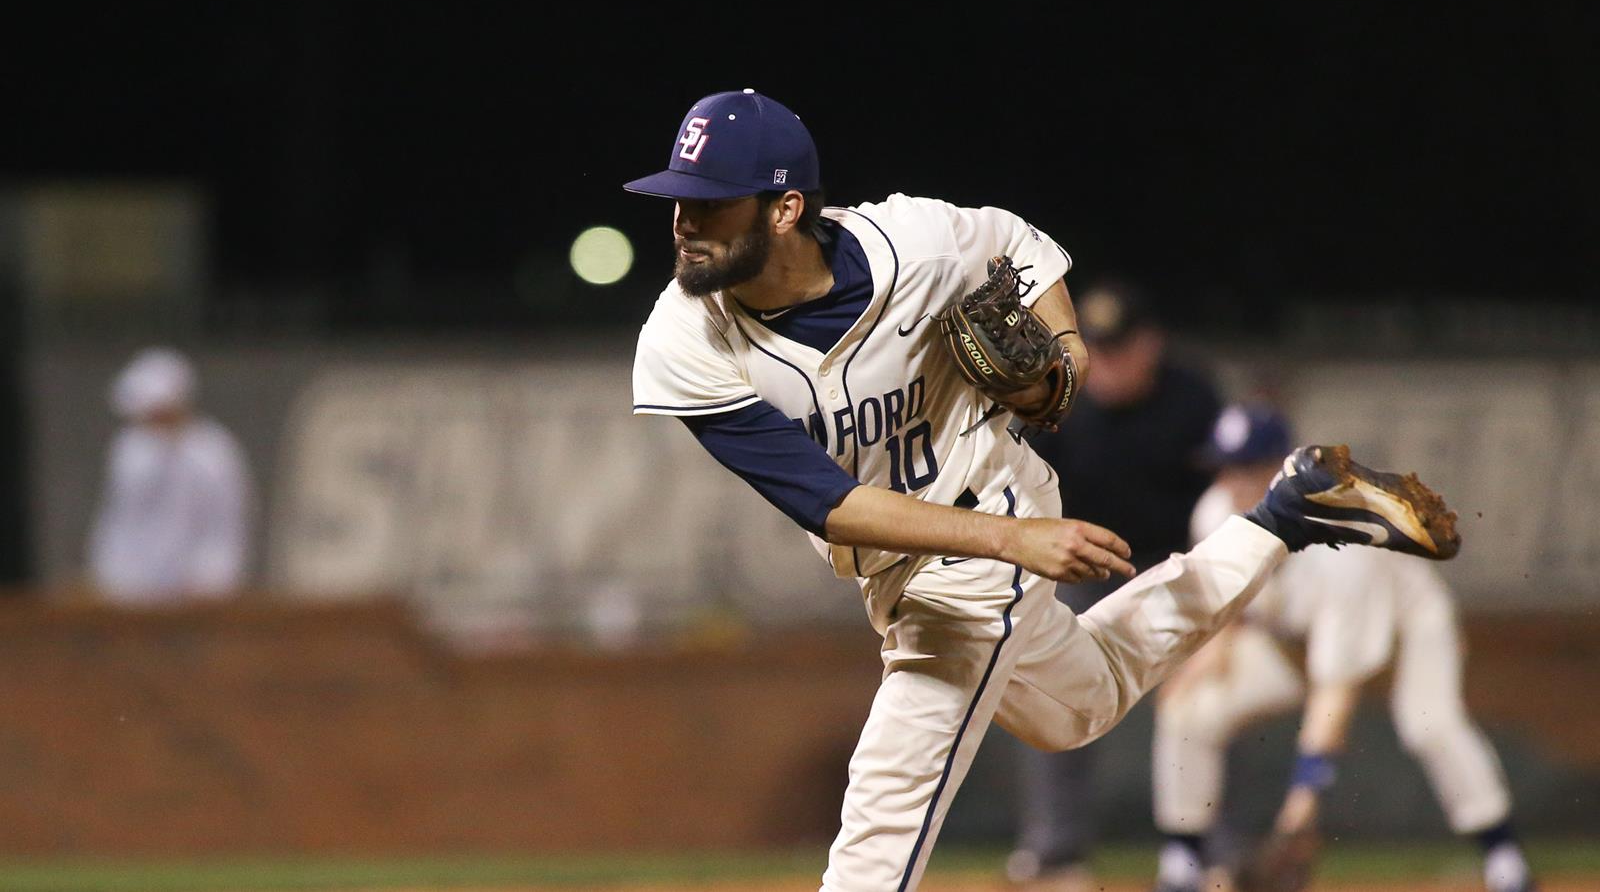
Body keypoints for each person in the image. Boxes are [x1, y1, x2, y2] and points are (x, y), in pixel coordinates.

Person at [625, 89, 1460, 892]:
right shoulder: (684, 341)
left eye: (710, 203)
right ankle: (1287, 509)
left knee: (886, 804)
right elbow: (827, 500)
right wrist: (1015, 544)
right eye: (678, 201)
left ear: (784, 208)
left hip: (992, 517)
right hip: (934, 556)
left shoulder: (913, 241)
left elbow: (1019, 244)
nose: (685, 223)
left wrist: (1070, 359)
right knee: (1079, 704)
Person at [1149, 403, 1537, 892]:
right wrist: (1205, 656)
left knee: (1431, 725)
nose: (1233, 481)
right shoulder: (1215, 511)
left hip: (1408, 632)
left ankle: (1505, 859)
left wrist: (1302, 804)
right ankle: (1181, 865)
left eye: (1248, 468)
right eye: (1226, 467)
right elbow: (1232, 604)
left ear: (1280, 467)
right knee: (1189, 708)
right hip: (1295, 641)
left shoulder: (1338, 552)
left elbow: (1335, 692)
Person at [1007, 279, 1222, 891]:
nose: (1109, 360)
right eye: (1098, 346)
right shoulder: (1058, 401)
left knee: (1203, 711)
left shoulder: (1192, 398)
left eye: (1122, 346)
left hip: (1173, 570)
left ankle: (1211, 853)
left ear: (1151, 344)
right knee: (1057, 700)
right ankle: (1055, 854)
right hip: (1085, 573)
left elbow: (1225, 490)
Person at [86, 347, 255, 602]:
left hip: (200, 595)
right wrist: (113, 580)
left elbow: (227, 524)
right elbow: (119, 522)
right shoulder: (130, 448)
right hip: (131, 594)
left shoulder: (213, 451)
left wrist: (212, 580)